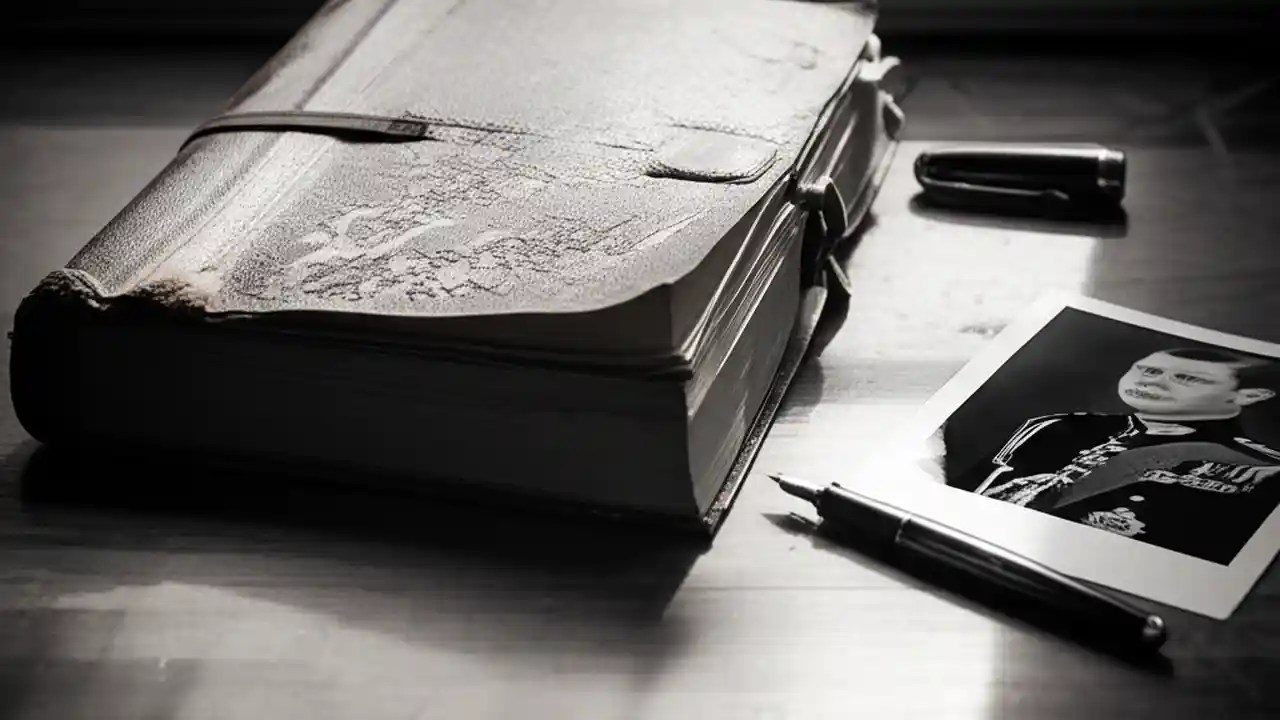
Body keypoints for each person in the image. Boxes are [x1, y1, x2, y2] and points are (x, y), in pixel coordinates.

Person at [964, 347, 1280, 564]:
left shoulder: (1261, 466)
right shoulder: (1056, 426)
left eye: (1187, 378)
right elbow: (974, 497)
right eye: (1148, 370)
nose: (1152, 381)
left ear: (1249, 395)